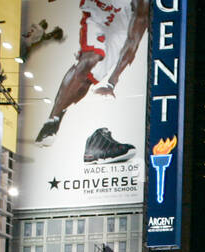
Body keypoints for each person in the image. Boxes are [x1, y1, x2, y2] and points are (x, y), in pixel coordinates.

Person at [35, 0, 151, 151]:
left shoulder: (142, 4)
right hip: (97, 16)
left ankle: (62, 109)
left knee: (87, 81)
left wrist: (112, 82)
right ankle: (52, 121)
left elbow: (132, 42)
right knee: (90, 59)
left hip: (121, 28)